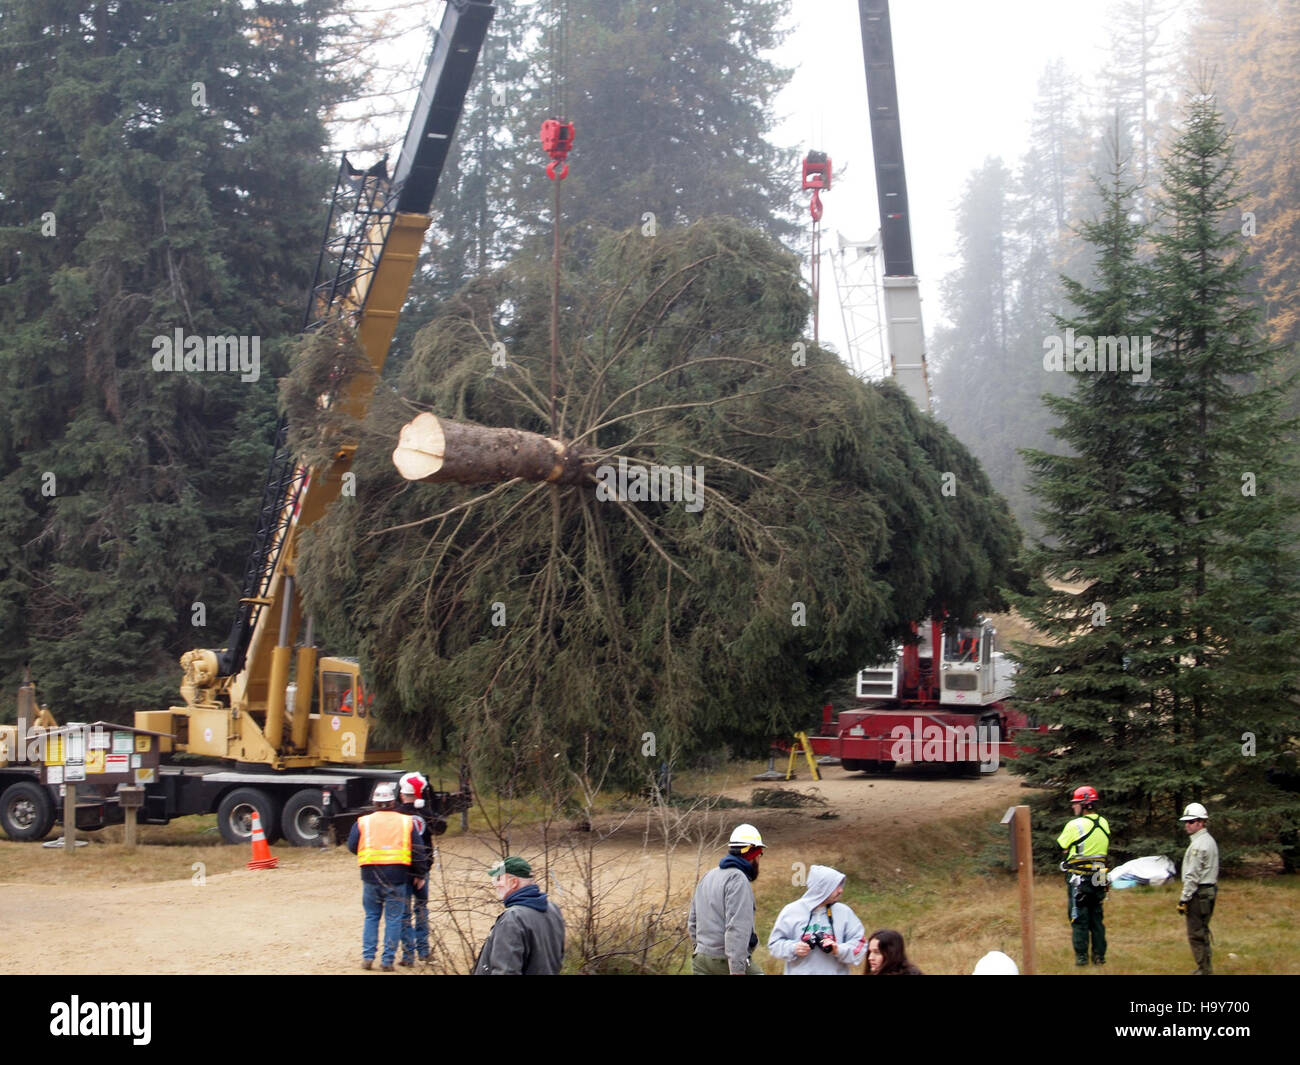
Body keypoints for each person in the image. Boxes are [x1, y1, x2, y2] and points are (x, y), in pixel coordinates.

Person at [347, 781, 428, 971]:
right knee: (393, 919)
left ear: (374, 803)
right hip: (397, 877)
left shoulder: (363, 821)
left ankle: (367, 957)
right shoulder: (405, 821)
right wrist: (420, 873)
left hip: (370, 876)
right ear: (393, 801)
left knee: (372, 916)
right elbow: (418, 849)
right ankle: (387, 960)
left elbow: (352, 845)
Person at [688, 823, 765, 975]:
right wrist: (737, 970)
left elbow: (692, 921)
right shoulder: (738, 880)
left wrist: (700, 950)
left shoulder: (708, 876)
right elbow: (737, 928)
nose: (759, 859)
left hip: (701, 959)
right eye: (759, 853)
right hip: (724, 962)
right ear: (752, 853)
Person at [472, 856, 566, 974]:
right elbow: (558, 959)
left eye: (499, 879)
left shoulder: (513, 919)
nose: (496, 885)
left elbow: (506, 971)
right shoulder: (553, 909)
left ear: (514, 882)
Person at [767, 864, 866, 974]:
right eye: (836, 886)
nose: (840, 890)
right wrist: (794, 948)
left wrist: (838, 949)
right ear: (822, 887)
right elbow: (774, 945)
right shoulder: (791, 911)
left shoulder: (844, 912)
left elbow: (860, 944)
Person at [1056, 784, 1110, 967]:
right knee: (1097, 916)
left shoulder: (1074, 825)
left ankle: (1081, 958)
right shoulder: (1104, 823)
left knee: (1079, 916)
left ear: (1085, 804)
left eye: (1076, 803)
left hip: (1080, 877)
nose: (1073, 806)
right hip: (1100, 874)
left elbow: (1061, 845)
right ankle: (1099, 957)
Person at [396, 771, 433, 967]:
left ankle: (408, 955)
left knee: (404, 912)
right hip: (423, 868)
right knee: (421, 909)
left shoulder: (396, 814)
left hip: (402, 868)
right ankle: (424, 950)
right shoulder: (425, 814)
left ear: (402, 794)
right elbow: (438, 827)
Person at [1178, 802, 1219, 976]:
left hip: (1199, 893)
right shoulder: (1207, 840)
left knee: (1196, 933)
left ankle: (1204, 970)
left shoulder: (1198, 845)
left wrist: (1184, 898)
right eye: (1186, 822)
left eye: (1191, 821)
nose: (1187, 825)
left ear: (1201, 822)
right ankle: (1205, 968)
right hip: (1208, 891)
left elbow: (1192, 875)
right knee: (1202, 930)